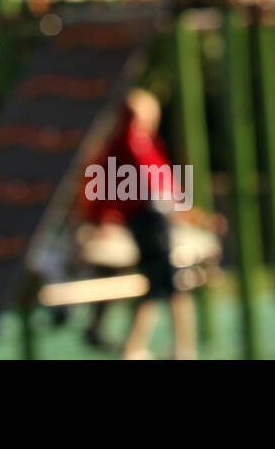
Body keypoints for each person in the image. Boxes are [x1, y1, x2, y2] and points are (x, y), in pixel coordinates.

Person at [75, 88, 198, 359]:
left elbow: (162, 183)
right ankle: (167, 348)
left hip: (146, 220)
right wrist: (102, 218)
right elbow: (153, 184)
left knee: (164, 283)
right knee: (165, 282)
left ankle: (164, 347)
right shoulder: (131, 142)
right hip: (147, 221)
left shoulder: (135, 143)